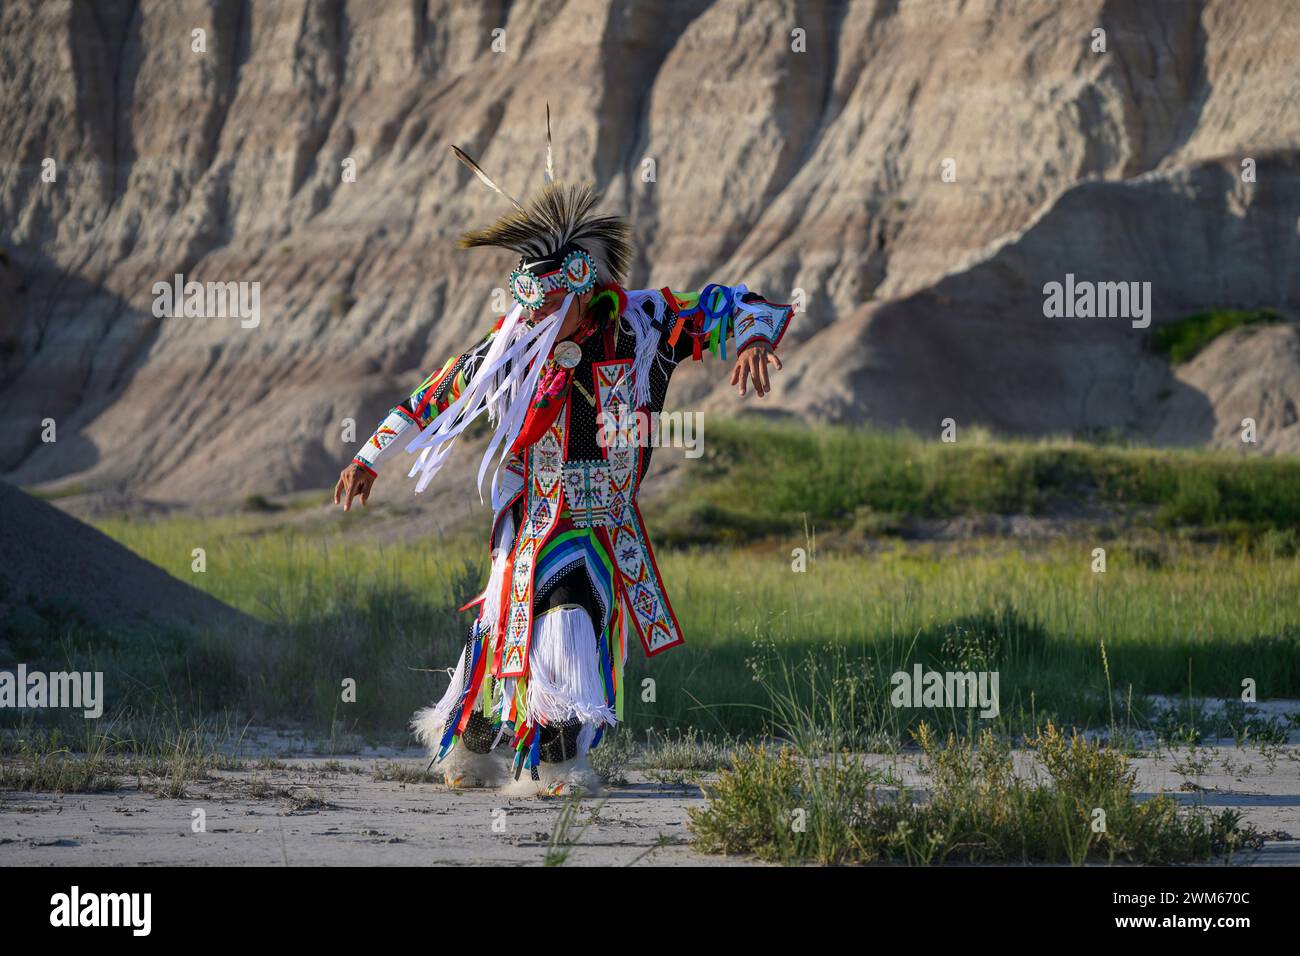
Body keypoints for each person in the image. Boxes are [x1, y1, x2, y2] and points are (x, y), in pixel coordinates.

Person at [334, 134, 793, 795]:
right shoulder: (510, 345)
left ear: (586, 285)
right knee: (505, 628)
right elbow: (438, 392)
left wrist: (748, 336)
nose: (540, 314)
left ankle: (559, 762)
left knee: (572, 615)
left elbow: (727, 305)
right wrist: (370, 456)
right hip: (527, 515)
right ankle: (473, 747)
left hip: (599, 519)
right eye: (532, 302)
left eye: (553, 302)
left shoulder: (644, 324)